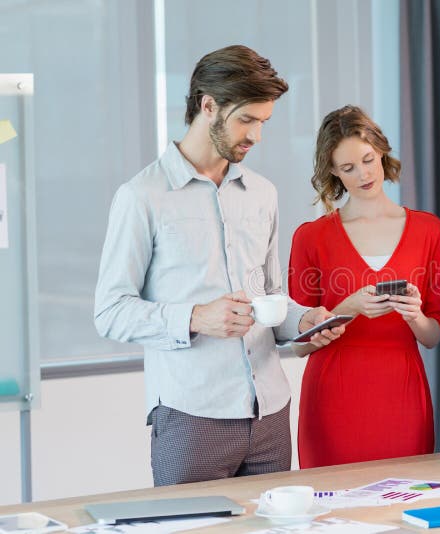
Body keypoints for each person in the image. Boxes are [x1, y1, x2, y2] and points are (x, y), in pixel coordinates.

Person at [94, 45, 343, 486]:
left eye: (263, 122)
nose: (257, 135)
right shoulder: (141, 197)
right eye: (247, 119)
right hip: (193, 416)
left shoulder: (262, 193)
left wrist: (305, 319)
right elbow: (110, 311)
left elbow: (270, 296)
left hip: (269, 414)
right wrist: (195, 317)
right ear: (208, 106)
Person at [288, 105, 440, 468]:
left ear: (381, 152)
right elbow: (298, 346)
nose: (362, 174)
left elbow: (432, 335)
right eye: (348, 168)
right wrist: (350, 306)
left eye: (368, 160)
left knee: (405, 510)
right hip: (332, 402)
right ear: (332, 171)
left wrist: (414, 314)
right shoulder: (311, 237)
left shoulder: (429, 230)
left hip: (402, 397)